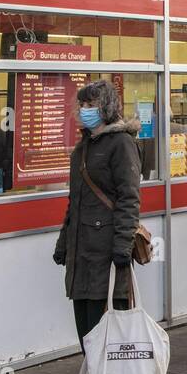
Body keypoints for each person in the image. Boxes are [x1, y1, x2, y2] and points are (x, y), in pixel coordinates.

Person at [54, 80, 143, 350]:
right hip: (81, 253)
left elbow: (129, 199)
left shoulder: (121, 144)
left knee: (104, 333)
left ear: (106, 107)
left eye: (91, 104)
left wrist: (122, 247)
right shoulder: (82, 148)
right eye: (81, 104)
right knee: (86, 334)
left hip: (107, 252)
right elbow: (76, 201)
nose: (84, 109)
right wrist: (63, 243)